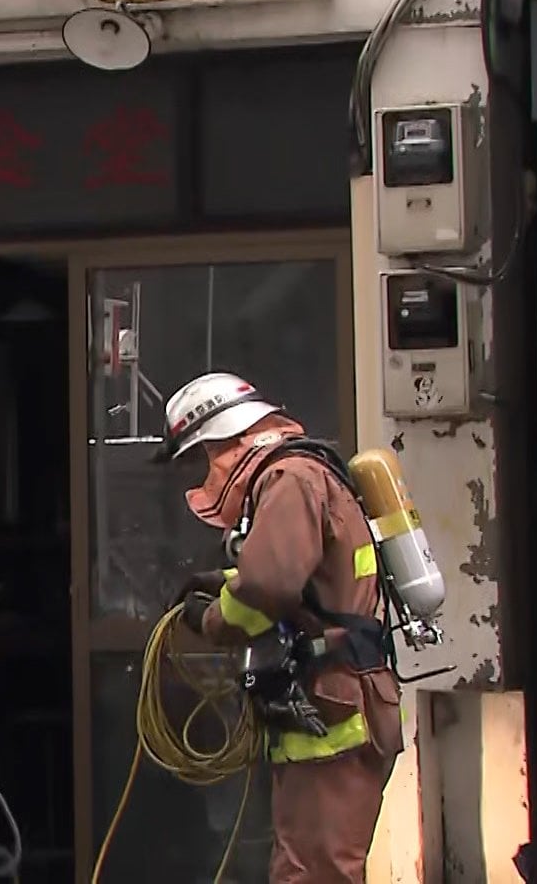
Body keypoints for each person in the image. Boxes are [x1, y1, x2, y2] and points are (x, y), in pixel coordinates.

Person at [163, 372, 401, 884]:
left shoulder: (289, 478)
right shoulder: (305, 472)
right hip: (332, 708)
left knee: (313, 873)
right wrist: (228, 579)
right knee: (309, 865)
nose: (206, 471)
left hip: (333, 712)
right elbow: (309, 581)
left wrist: (210, 618)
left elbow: (268, 590)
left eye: (204, 455)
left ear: (227, 441)